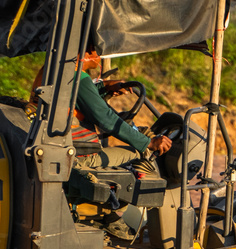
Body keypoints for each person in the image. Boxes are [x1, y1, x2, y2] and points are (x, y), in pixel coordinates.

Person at [29, 50, 172, 173]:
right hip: (75, 157)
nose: (101, 56)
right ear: (89, 51)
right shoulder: (77, 77)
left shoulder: (56, 69)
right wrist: (148, 143)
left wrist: (105, 87)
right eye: (99, 50)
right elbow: (106, 119)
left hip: (56, 149)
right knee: (140, 151)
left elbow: (76, 95)